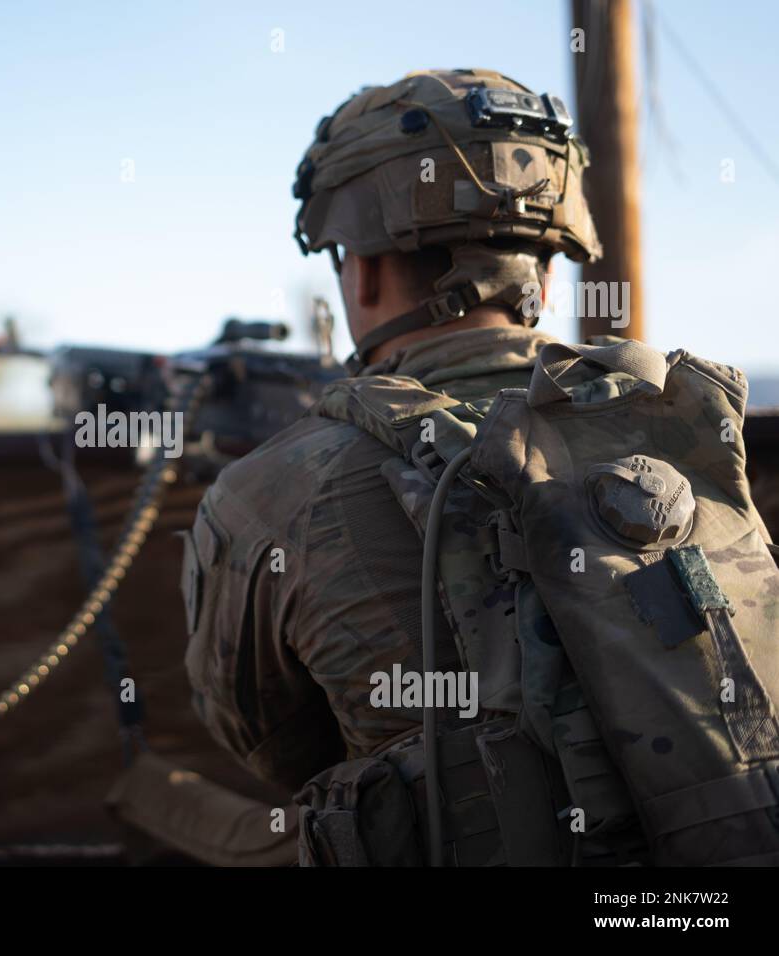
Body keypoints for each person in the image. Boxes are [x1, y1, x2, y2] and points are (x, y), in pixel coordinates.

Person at [180, 68, 602, 832]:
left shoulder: (269, 495)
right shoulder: (685, 421)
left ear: (364, 269)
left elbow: (271, 750)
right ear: (545, 264)